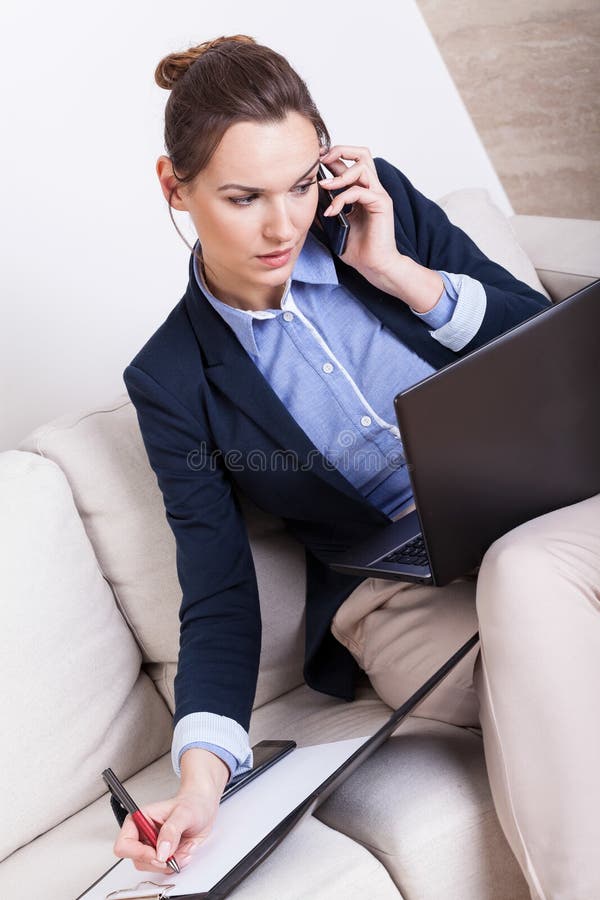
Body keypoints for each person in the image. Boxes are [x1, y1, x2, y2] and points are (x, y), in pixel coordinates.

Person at [116, 34, 600, 900]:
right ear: (174, 188)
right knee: (555, 675)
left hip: (546, 513)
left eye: (301, 185)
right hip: (403, 595)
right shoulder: (172, 379)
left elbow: (553, 353)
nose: (283, 224)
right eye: (242, 197)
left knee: (531, 578)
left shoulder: (383, 213)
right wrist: (200, 778)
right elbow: (218, 590)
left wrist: (402, 272)